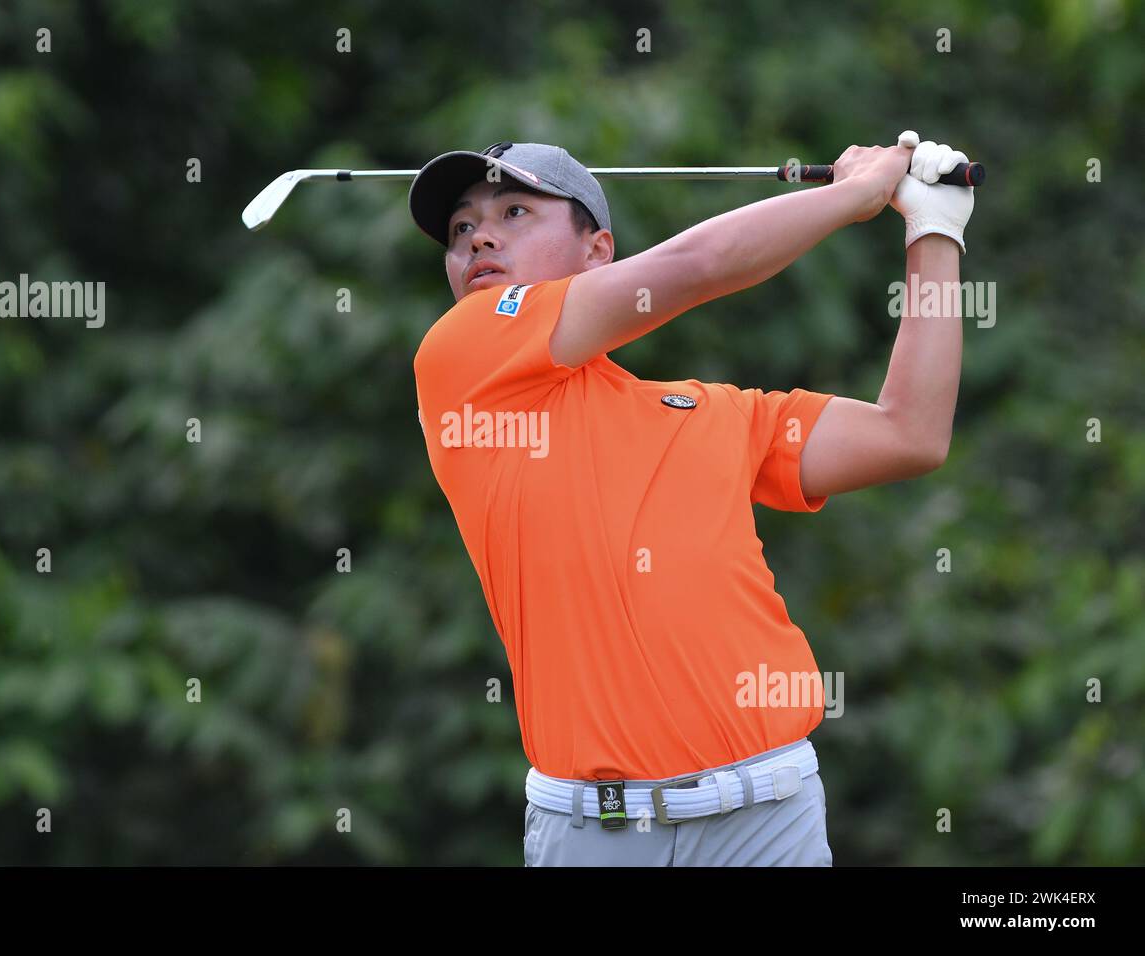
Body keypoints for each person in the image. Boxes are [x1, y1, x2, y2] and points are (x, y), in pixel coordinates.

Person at [407, 136, 973, 866]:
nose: (479, 234)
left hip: (769, 813)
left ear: (596, 250)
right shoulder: (461, 355)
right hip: (594, 833)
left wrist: (934, 232)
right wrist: (852, 195)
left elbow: (910, 434)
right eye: (461, 228)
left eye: (514, 211)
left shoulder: (716, 413)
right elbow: (693, 268)